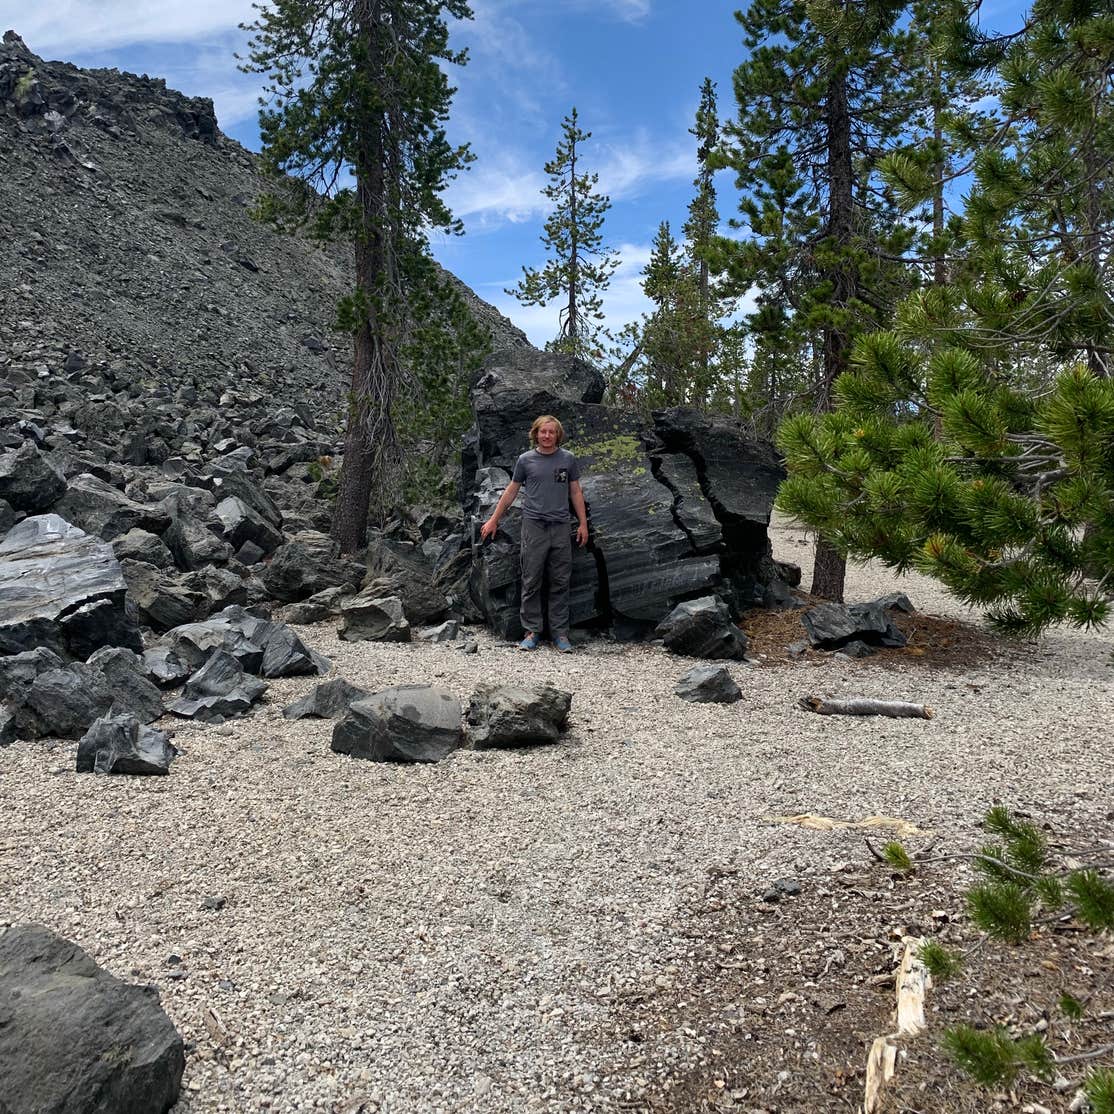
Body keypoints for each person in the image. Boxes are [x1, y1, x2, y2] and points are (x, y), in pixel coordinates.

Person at [479, 414, 588, 652]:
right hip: (533, 526)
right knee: (531, 579)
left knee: (560, 580)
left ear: (557, 435)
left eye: (551, 432)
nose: (547, 436)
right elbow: (511, 491)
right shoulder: (525, 460)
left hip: (560, 526)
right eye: (543, 432)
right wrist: (494, 520)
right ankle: (532, 631)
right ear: (535, 434)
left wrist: (583, 524)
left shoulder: (568, 459)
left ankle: (560, 634)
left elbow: (576, 492)